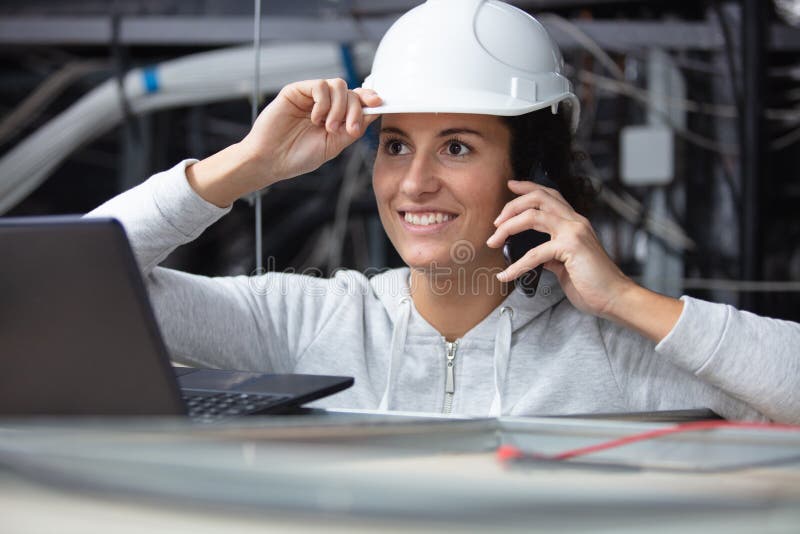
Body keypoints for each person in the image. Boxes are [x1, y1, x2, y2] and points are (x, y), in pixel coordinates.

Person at [88, 0, 799, 422]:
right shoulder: (310, 323)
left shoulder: (613, 349)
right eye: (395, 146)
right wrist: (243, 166)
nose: (413, 183)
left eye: (456, 147)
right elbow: (60, 285)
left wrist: (624, 298)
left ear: (531, 170)